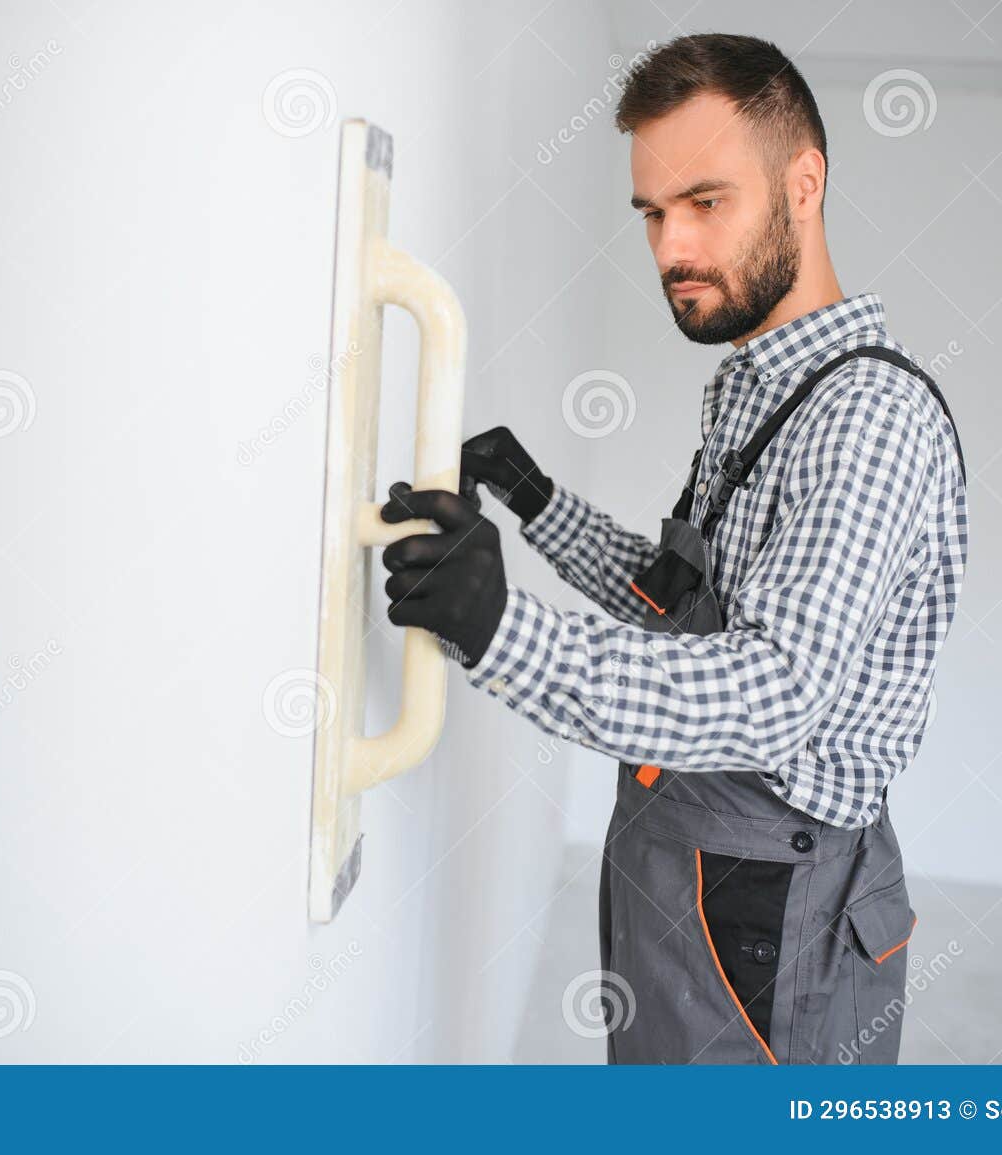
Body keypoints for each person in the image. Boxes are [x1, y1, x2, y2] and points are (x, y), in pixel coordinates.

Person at [378, 32, 968, 1065]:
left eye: (706, 202)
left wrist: (504, 631)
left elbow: (772, 688)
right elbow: (684, 607)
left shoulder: (863, 415)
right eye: (652, 213)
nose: (671, 250)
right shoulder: (759, 387)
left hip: (774, 901)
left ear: (803, 183)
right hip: (700, 860)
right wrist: (533, 500)